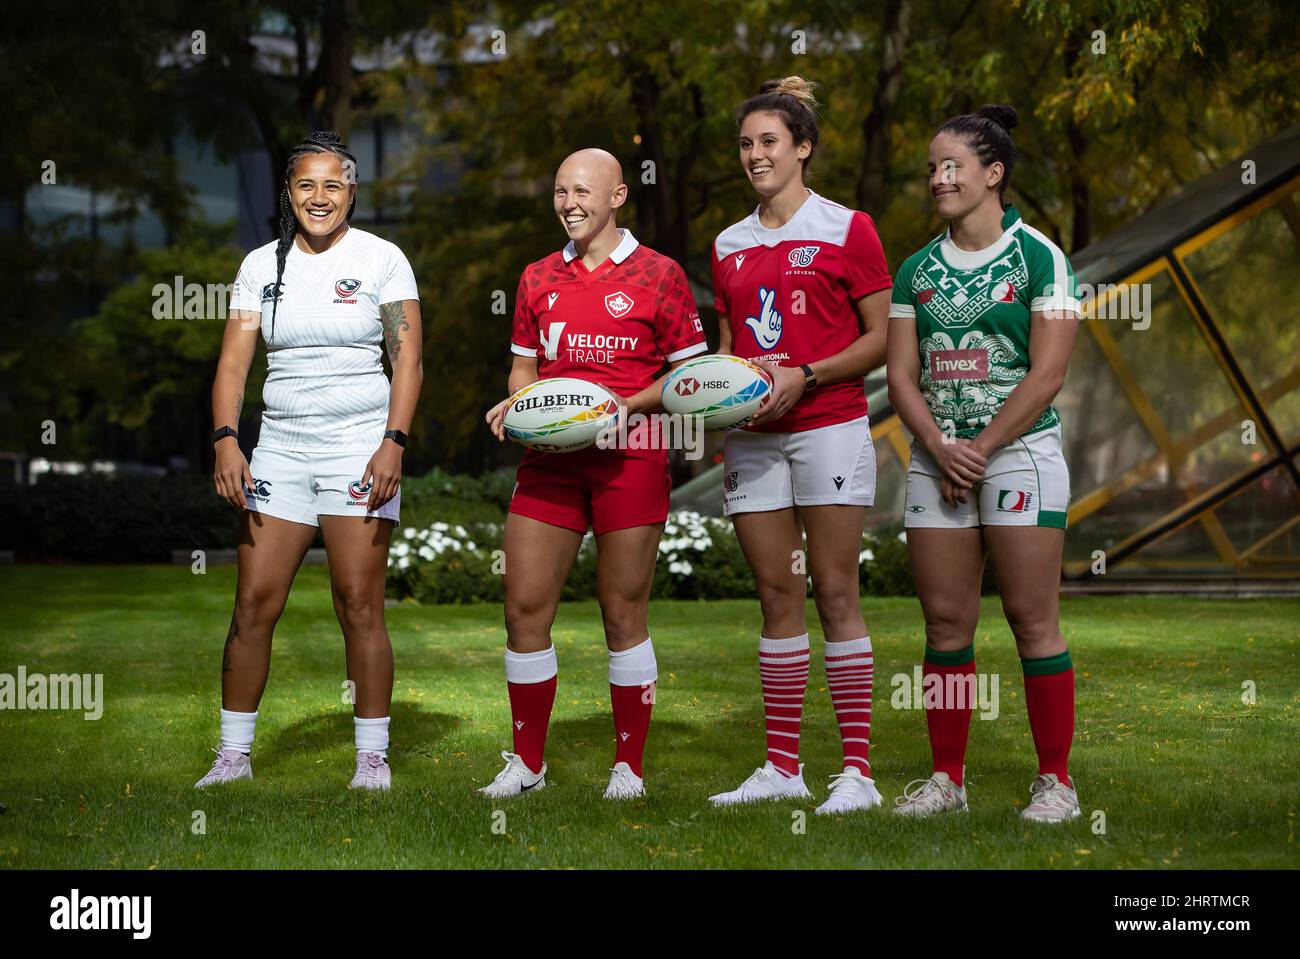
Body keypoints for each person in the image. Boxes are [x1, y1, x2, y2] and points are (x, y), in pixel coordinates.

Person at [196, 131, 423, 791]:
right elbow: (234, 363)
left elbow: (406, 357)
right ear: (288, 192)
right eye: (305, 184)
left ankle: (371, 760)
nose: (318, 197)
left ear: (351, 190)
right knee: (252, 604)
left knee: (358, 601)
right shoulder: (259, 266)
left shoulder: (384, 259)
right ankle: (233, 756)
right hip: (281, 450)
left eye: (332, 184)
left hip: (360, 445)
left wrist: (393, 441)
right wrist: (225, 437)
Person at [480, 148, 708, 800]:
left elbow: (687, 376)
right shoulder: (536, 277)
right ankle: (527, 762)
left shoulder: (659, 275)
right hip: (550, 462)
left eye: (582, 190)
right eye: (559, 190)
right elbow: (523, 368)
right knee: (523, 607)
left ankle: (628, 767)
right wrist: (519, 404)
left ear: (616, 197)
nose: (569, 202)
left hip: (630, 456)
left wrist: (621, 406)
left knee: (621, 611)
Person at [886, 104, 1082, 822]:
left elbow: (1048, 374)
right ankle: (947, 779)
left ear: (992, 174)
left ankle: (1056, 782)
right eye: (933, 167)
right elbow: (902, 377)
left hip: (1020, 453)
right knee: (944, 625)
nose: (937, 178)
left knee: (1033, 618)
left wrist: (982, 448)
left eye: (952, 166)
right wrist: (939, 444)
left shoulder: (1042, 258)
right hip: (937, 456)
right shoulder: (915, 270)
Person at [707, 77, 892, 815]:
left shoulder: (851, 228)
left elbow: (879, 338)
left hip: (831, 426)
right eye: (747, 144)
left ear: (803, 147)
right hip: (754, 442)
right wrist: (724, 391)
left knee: (837, 591)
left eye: (770, 142)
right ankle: (783, 767)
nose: (755, 154)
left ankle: (858, 773)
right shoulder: (727, 242)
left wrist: (805, 373)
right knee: (777, 594)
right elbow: (729, 347)